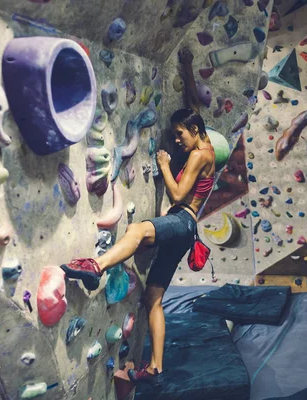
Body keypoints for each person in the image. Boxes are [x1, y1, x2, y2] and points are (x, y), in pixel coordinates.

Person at [59, 47, 215, 387]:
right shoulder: (207, 143)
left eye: (180, 134)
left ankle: (95, 267)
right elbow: (195, 105)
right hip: (186, 229)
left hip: (183, 220)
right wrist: (187, 66)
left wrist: (162, 165)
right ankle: (156, 367)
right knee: (152, 299)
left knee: (138, 229)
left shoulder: (199, 155)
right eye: (175, 135)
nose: (176, 139)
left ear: (196, 131)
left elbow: (176, 194)